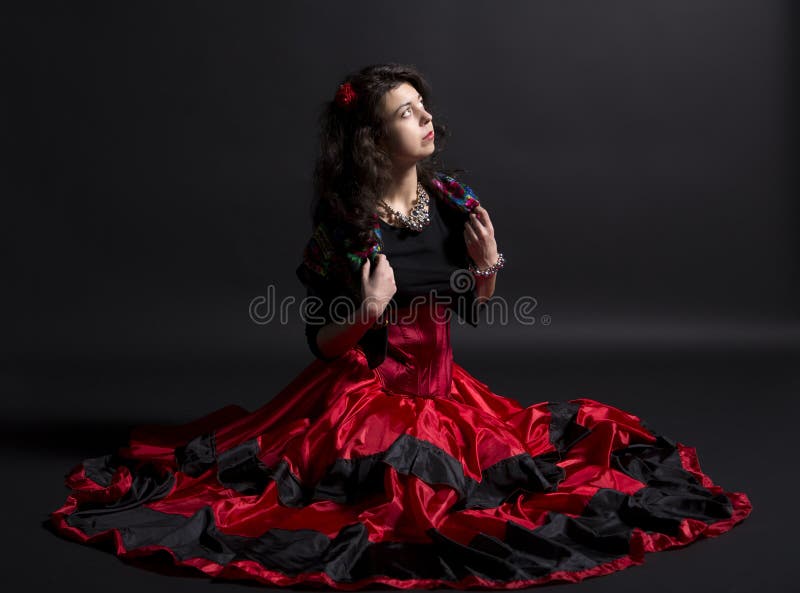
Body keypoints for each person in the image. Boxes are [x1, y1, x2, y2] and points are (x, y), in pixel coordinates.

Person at [49, 63, 753, 590]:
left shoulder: (454, 199)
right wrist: (368, 311)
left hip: (448, 393)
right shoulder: (347, 221)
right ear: (372, 137)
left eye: (423, 107)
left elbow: (473, 309)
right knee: (379, 505)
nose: (424, 119)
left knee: (542, 477)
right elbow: (321, 342)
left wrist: (487, 266)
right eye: (404, 111)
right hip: (363, 400)